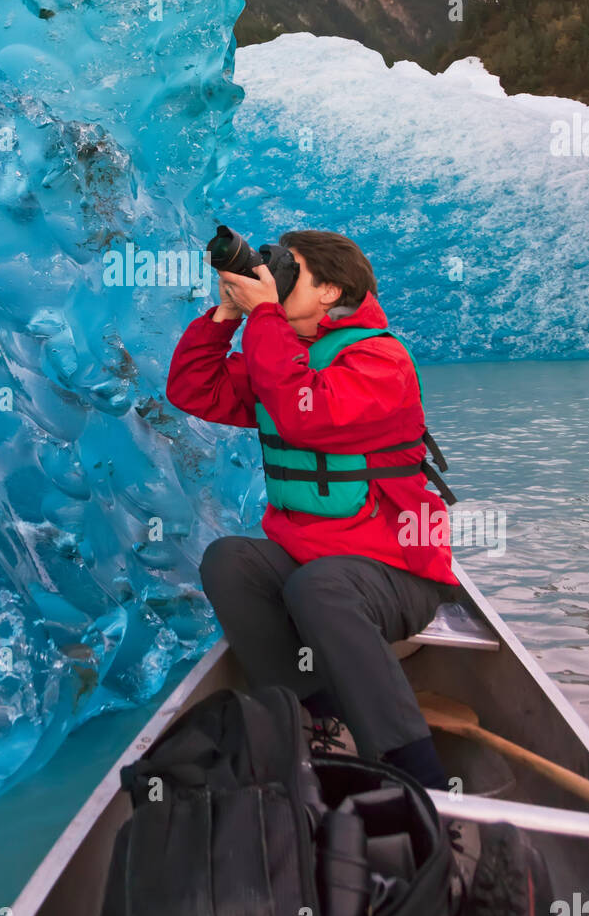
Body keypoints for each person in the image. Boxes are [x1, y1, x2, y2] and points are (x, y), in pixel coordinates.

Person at [165, 228, 461, 790]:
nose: (273, 281)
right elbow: (191, 388)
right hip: (315, 565)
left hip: (399, 573)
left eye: (288, 270)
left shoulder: (380, 360)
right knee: (229, 560)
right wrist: (227, 315)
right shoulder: (285, 360)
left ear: (329, 290)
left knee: (319, 587)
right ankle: (320, 720)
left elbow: (305, 414)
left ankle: (416, 775)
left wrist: (265, 320)